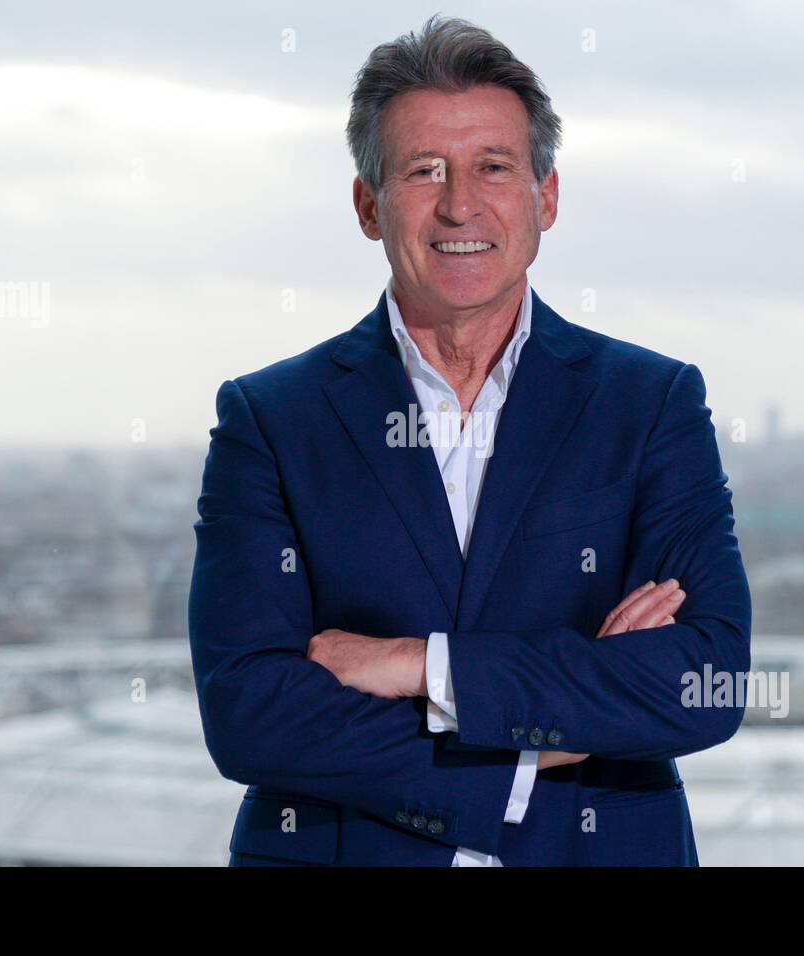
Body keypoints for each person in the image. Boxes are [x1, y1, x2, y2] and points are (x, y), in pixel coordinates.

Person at [188, 14, 751, 867]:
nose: (460, 204)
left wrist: (422, 668)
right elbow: (251, 714)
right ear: (369, 206)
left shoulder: (650, 403)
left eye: (494, 167)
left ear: (546, 197)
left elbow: (703, 682)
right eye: (424, 171)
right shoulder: (271, 418)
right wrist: (541, 742)